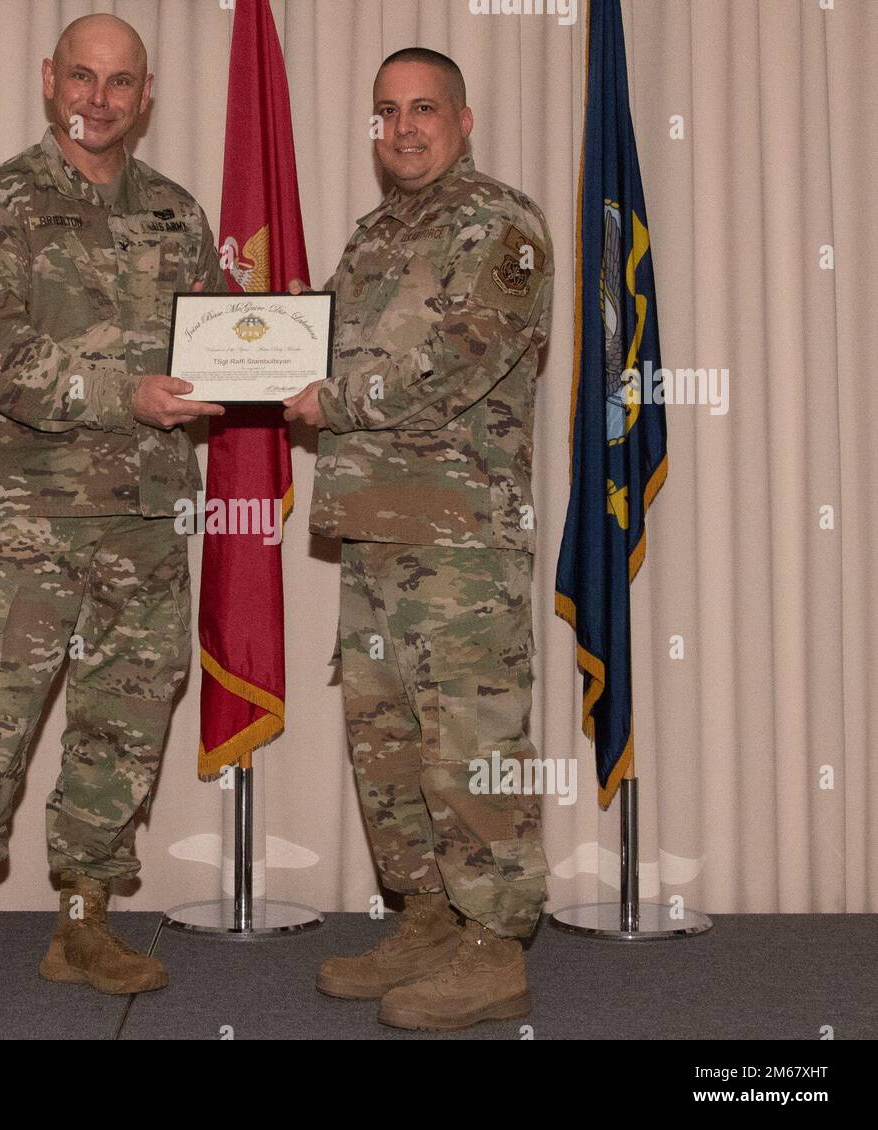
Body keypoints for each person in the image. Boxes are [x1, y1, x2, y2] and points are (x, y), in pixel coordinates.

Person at [0, 13, 225, 1014]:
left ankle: (83, 919)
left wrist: (253, 349)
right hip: (31, 516)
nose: (99, 98)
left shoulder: (179, 214)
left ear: (145, 94)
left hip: (148, 511)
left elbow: (211, 339)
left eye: (119, 82)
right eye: (82, 78)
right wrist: (120, 387)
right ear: (50, 82)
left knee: (124, 721)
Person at [283, 47, 554, 1032]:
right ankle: (429, 915)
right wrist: (236, 358)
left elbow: (458, 360)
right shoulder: (371, 240)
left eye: (424, 108)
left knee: (472, 745)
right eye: (387, 111)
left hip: (459, 539)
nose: (404, 128)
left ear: (463, 118)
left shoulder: (500, 227)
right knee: (387, 741)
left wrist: (332, 396)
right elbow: (313, 350)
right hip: (372, 527)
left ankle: (494, 943)